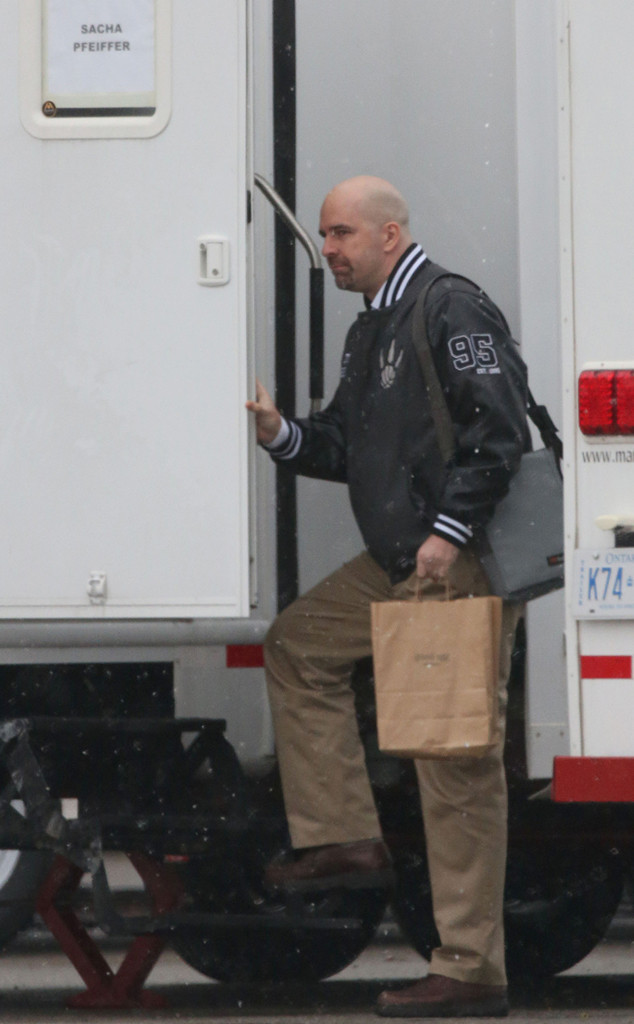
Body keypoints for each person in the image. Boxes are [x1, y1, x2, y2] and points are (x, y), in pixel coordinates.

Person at [246, 175, 528, 1018]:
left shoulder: (450, 307)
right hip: (403, 559)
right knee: (298, 645)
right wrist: (280, 435)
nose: (327, 249)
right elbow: (343, 444)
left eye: (340, 234)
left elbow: (499, 433)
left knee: (454, 765)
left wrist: (448, 531)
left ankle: (471, 970)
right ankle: (345, 839)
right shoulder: (373, 324)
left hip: (452, 562)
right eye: (326, 234)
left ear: (390, 235)